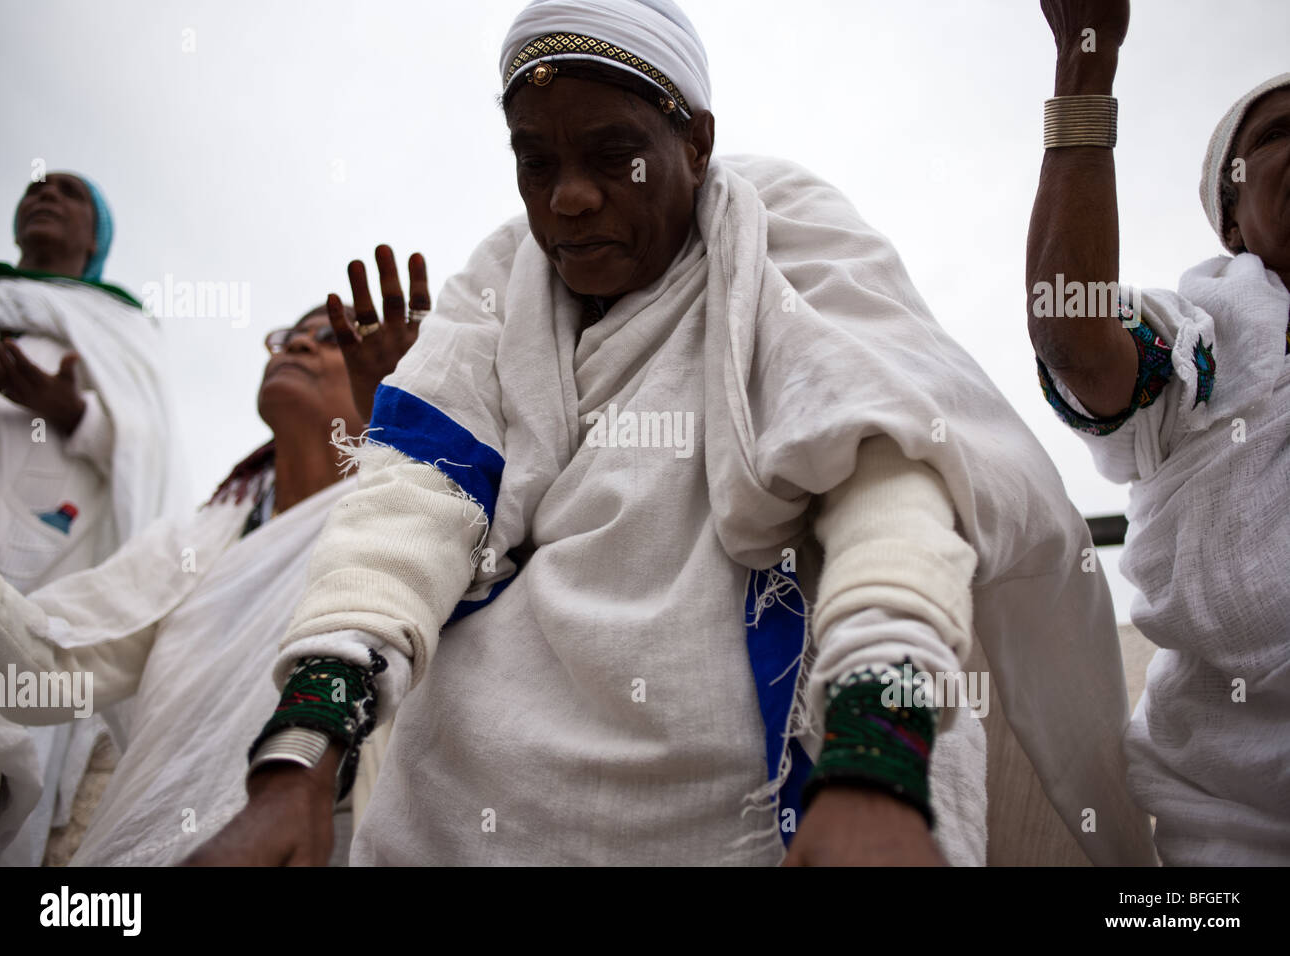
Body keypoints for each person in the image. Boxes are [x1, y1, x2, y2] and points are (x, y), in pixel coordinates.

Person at [194, 0, 1154, 867]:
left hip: (750, 815)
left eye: (613, 156)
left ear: (696, 141)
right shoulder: (495, 288)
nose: (567, 197)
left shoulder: (784, 237)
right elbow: (407, 502)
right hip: (465, 811)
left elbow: (886, 471)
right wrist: (298, 761)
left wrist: (873, 768)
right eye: (536, 162)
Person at [0, 272, 424, 865]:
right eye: (289, 335)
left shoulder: (427, 516)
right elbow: (51, 669)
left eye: (332, 336)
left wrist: (415, 429)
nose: (297, 346)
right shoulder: (197, 540)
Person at [1027, 0, 1289, 866]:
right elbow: (1074, 337)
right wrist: (1084, 63)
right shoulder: (1199, 345)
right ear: (1230, 217)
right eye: (1283, 131)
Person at [0, 172, 185, 864]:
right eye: (36, 188)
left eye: (69, 193)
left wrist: (68, 409)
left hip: (49, 565)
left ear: (96, 235)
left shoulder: (120, 329)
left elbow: (151, 448)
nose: (46, 195)